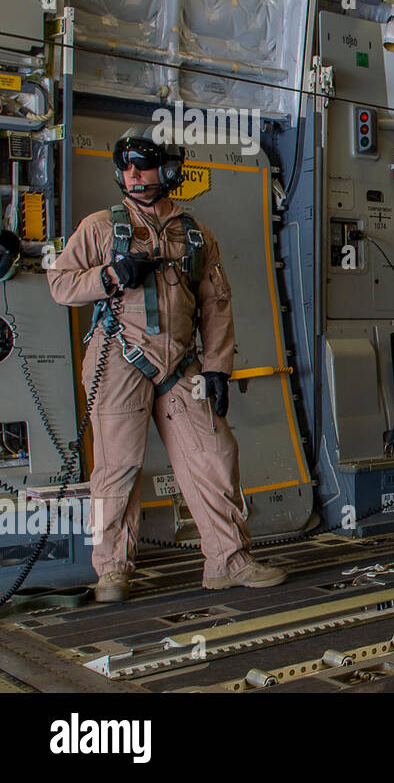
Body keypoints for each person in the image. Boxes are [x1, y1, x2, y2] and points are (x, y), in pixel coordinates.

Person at [47, 124, 287, 601]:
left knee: (215, 454)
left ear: (168, 169)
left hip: (179, 363)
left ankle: (227, 560)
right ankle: (112, 570)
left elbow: (216, 303)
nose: (136, 176)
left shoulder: (194, 235)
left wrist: (218, 367)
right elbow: (60, 284)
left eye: (145, 165)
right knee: (116, 466)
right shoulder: (101, 228)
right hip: (119, 356)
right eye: (128, 167)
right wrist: (110, 274)